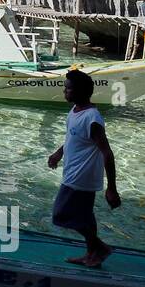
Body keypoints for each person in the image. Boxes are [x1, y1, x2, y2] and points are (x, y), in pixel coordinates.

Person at [47, 70, 120, 268]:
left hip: (81, 176)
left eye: (68, 89)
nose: (65, 91)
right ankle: (92, 254)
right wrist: (58, 153)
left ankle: (100, 248)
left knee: (60, 214)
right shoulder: (75, 110)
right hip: (73, 171)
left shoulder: (93, 118)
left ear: (80, 91)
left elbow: (107, 152)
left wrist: (111, 188)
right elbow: (74, 137)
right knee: (85, 217)